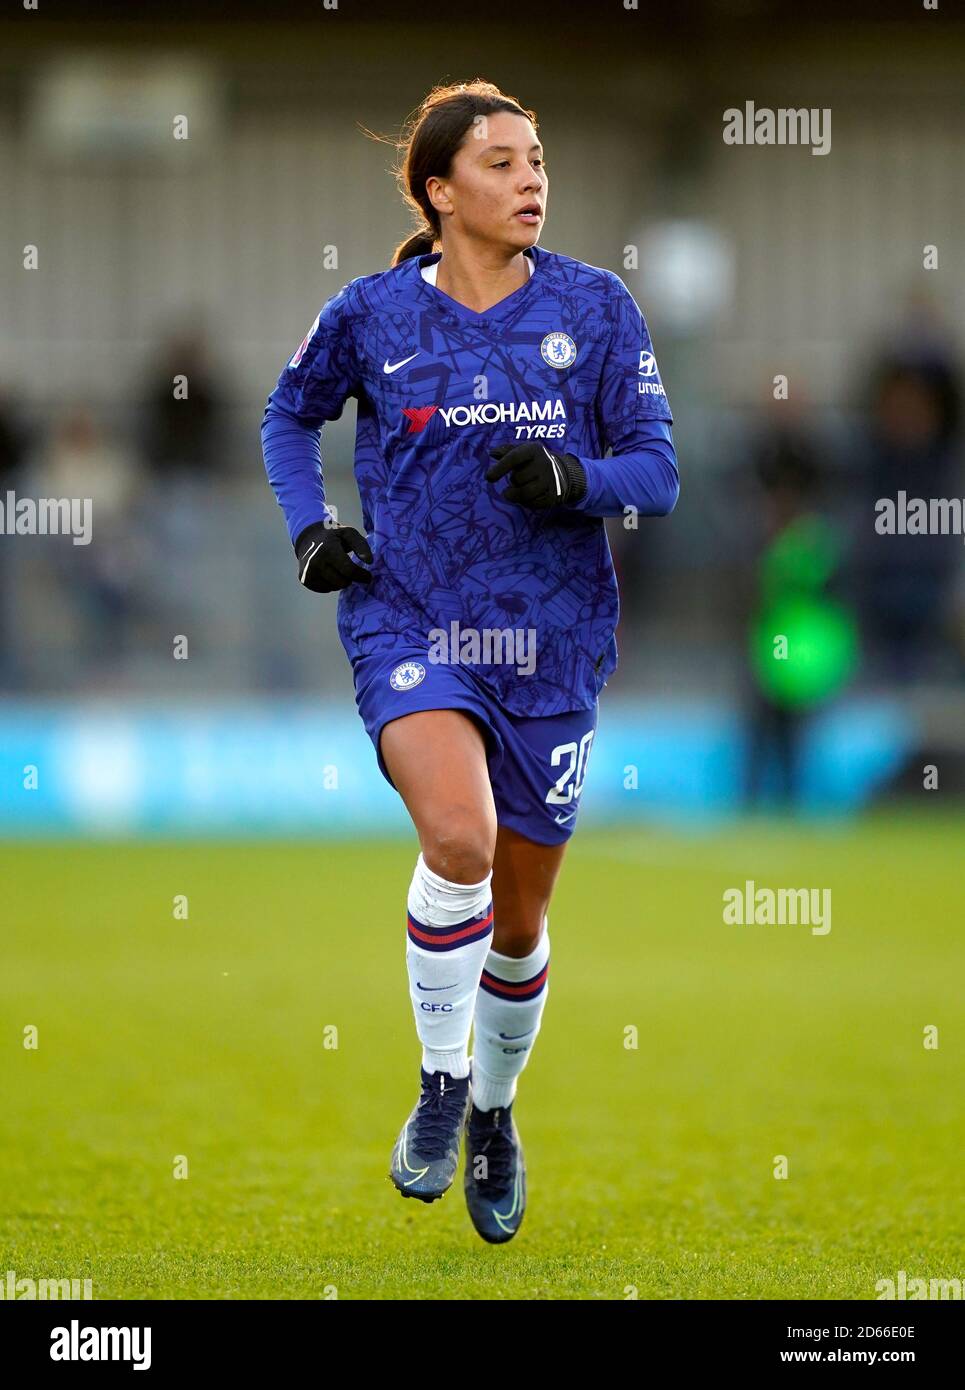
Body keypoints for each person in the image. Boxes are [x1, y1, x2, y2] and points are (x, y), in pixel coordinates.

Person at [261, 79, 679, 1243]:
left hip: (552, 642)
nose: (530, 178)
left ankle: (496, 1112)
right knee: (457, 837)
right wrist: (313, 524)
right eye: (500, 162)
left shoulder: (597, 311)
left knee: (517, 919)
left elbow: (658, 470)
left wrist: (575, 481)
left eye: (536, 158)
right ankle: (441, 1086)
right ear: (440, 192)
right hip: (410, 620)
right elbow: (286, 416)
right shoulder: (370, 314)